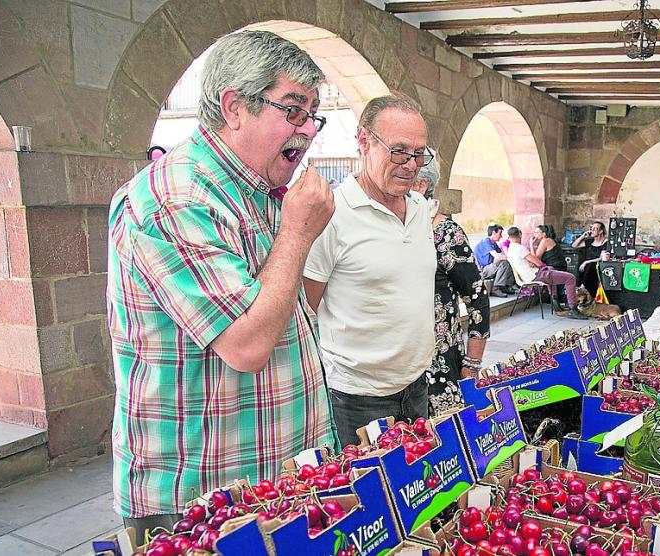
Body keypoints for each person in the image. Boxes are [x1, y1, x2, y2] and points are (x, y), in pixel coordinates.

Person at [106, 30, 336, 540]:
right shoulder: (176, 196)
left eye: (312, 116)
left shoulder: (259, 191)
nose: (307, 131)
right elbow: (249, 344)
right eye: (293, 111)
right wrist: (298, 232)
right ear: (234, 106)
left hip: (269, 477)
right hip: (201, 497)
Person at [303, 95, 437, 447]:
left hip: (417, 387)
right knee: (368, 496)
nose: (410, 165)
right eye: (398, 151)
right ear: (363, 141)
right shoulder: (333, 213)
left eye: (419, 153)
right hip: (357, 398)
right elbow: (305, 310)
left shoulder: (421, 209)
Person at [412, 157, 491, 414]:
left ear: (421, 185)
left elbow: (477, 298)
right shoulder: (401, 230)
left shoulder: (446, 234)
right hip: (402, 367)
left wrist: (472, 364)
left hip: (439, 365)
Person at [506, 226, 588, 320]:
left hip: (529, 275)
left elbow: (534, 261)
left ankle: (556, 305)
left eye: (537, 232)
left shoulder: (510, 249)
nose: (535, 235)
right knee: (571, 278)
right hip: (535, 275)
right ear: (520, 235)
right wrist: (537, 262)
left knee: (551, 268)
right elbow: (538, 262)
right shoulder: (520, 248)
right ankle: (573, 309)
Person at [474, 224, 516, 297]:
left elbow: (502, 253)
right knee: (504, 263)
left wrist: (507, 244)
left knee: (508, 263)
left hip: (489, 268)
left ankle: (505, 286)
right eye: (500, 234)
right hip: (482, 270)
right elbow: (497, 256)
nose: (501, 236)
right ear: (493, 233)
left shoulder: (494, 243)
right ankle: (495, 288)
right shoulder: (486, 242)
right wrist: (511, 257)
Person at [571, 221, 609, 293]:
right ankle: (580, 288)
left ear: (601, 231)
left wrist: (586, 262)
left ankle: (583, 287)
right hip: (586, 265)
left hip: (597, 264)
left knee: (590, 266)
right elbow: (574, 245)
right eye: (591, 228)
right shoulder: (590, 241)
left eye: (595, 229)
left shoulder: (605, 242)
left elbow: (601, 258)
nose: (592, 230)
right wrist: (583, 236)